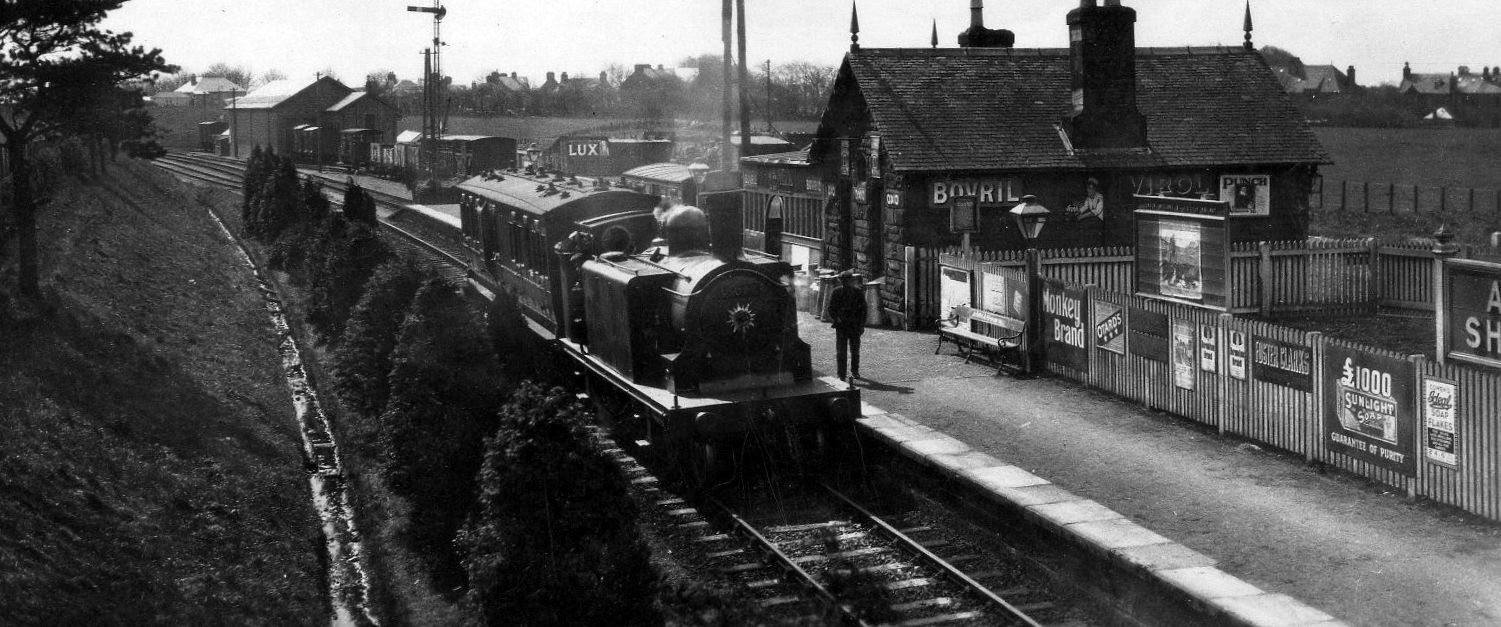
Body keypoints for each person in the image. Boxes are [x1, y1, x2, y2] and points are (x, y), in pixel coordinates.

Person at [828, 270, 868, 381]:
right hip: (841, 327)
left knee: (855, 351)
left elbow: (863, 310)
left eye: (847, 280)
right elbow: (831, 308)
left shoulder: (858, 292)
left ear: (851, 280)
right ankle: (841, 374)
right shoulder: (836, 292)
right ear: (841, 281)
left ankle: (855, 371)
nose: (845, 282)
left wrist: (861, 325)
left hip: (854, 326)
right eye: (843, 280)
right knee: (841, 352)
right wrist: (837, 318)